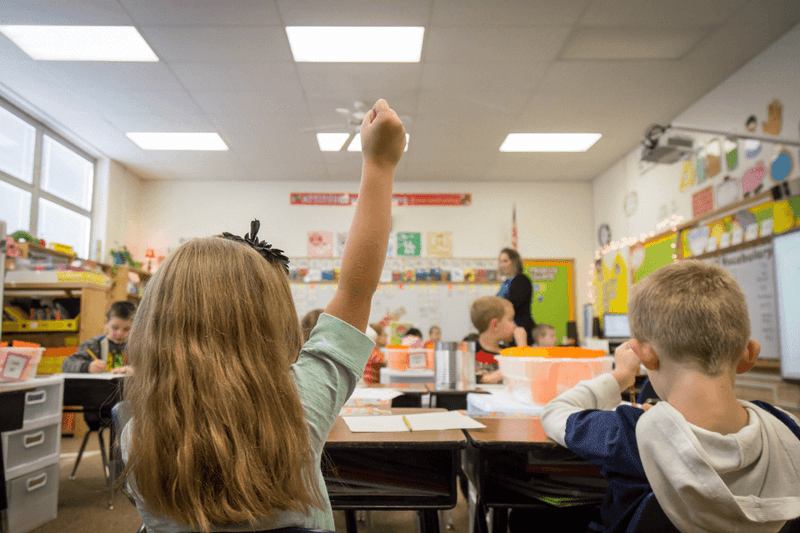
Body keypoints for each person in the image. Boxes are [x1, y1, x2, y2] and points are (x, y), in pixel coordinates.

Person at [121, 98, 406, 533]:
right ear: (272, 321)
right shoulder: (299, 406)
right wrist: (379, 163)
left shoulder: (137, 437)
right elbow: (356, 288)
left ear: (152, 324)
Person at [541, 261, 800, 532]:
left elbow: (555, 413)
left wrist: (620, 375)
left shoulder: (631, 433)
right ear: (749, 354)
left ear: (645, 355)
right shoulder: (787, 430)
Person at [62, 300, 135, 374]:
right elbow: (66, 364)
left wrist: (136, 370)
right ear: (106, 322)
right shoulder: (93, 345)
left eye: (126, 329)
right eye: (115, 327)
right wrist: (87, 367)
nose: (119, 334)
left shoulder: (136, 347)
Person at [469, 296, 525, 385]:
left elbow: (524, 374)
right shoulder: (469, 350)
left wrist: (522, 346)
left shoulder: (509, 353)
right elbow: (460, 376)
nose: (514, 325)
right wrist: (485, 379)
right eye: (510, 320)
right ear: (495, 324)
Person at [497, 247, 535, 345]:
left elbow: (512, 304)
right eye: (500, 261)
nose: (502, 265)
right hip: (507, 330)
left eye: (505, 261)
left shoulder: (521, 280)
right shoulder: (505, 283)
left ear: (514, 262)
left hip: (520, 329)